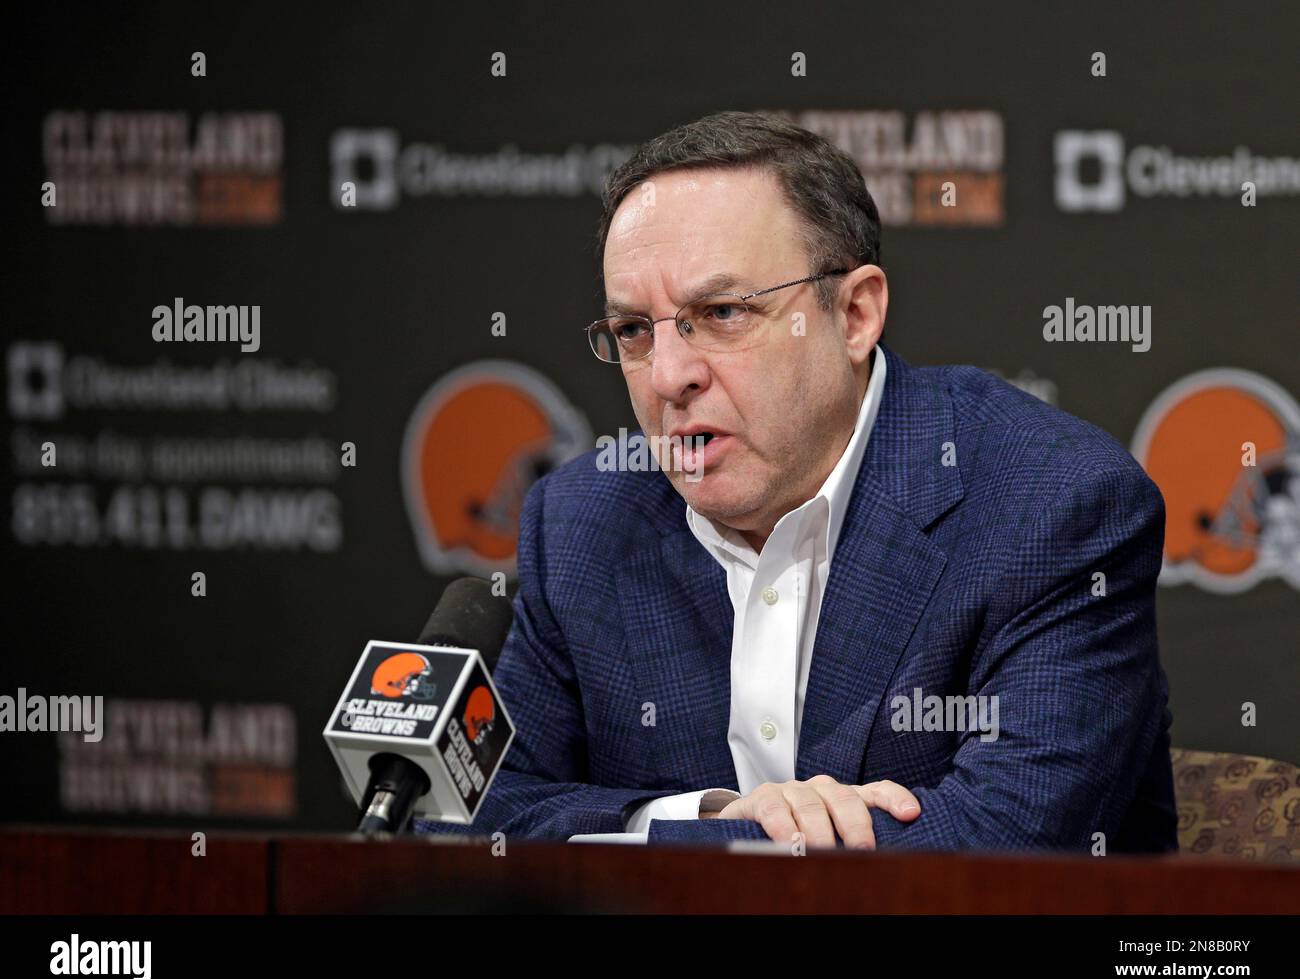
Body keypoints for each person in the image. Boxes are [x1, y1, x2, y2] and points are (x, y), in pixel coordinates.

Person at [417, 110, 1177, 851]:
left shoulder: (1051, 504)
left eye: (720, 313)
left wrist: (712, 849)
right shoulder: (582, 522)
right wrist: (713, 823)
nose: (669, 376)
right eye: (634, 331)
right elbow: (464, 817)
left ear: (854, 314)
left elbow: (1009, 843)